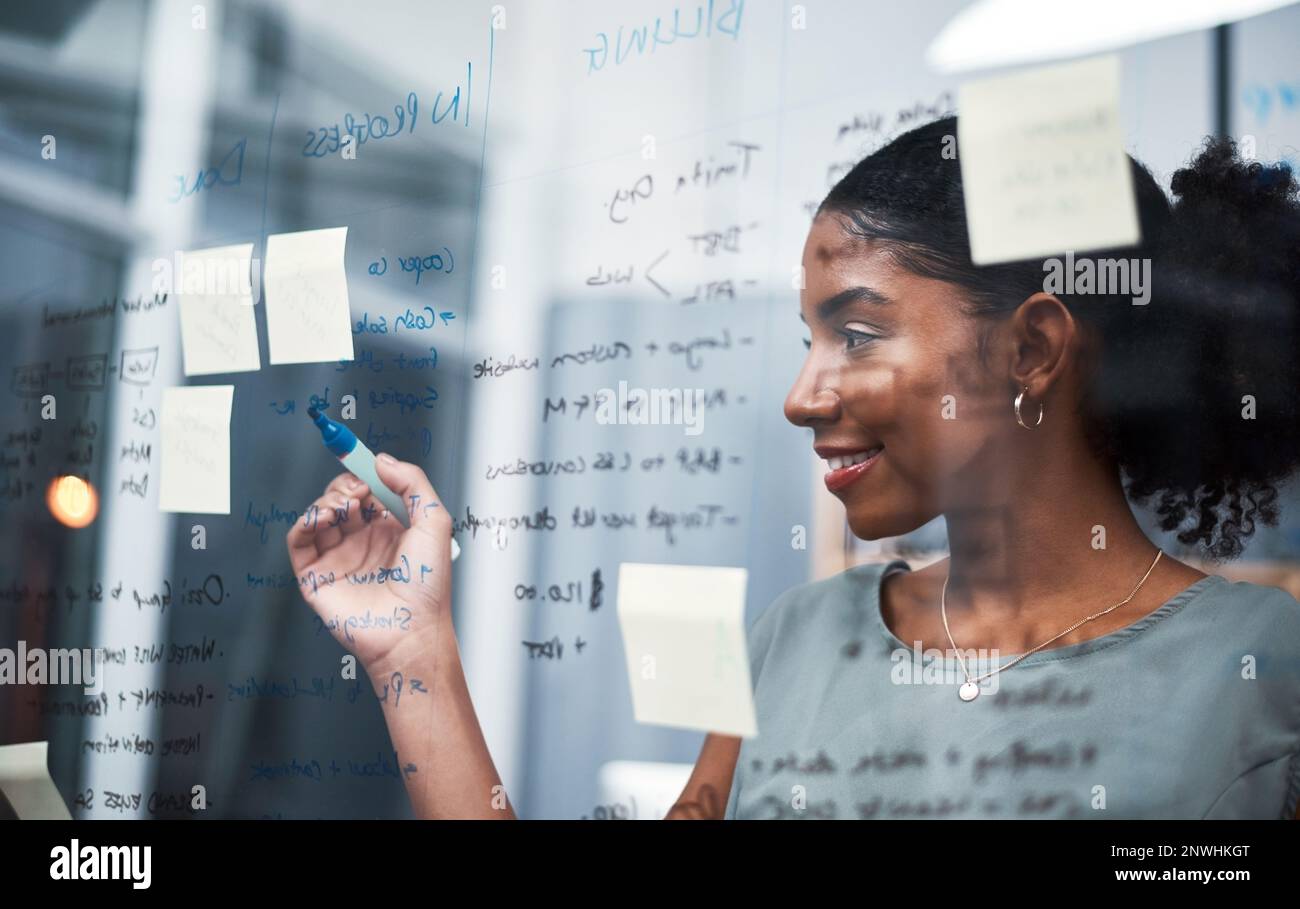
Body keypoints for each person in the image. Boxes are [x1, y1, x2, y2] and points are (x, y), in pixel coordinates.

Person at [288, 115, 1300, 820]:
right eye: (808, 341)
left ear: (1030, 351)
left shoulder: (1267, 670)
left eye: (856, 334)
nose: (800, 396)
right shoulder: (796, 642)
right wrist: (410, 655)